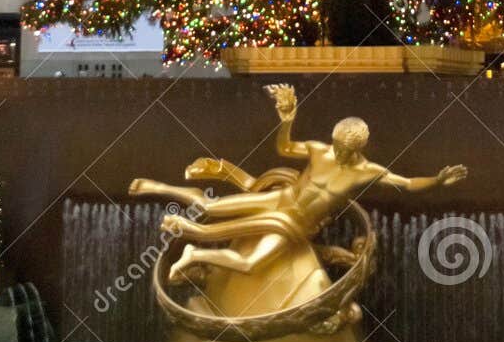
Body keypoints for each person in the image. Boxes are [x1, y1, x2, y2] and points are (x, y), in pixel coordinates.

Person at [130, 82, 467, 285]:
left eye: (345, 150)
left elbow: (406, 184)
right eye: (336, 145)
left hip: (294, 224)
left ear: (357, 149)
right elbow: (284, 149)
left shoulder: (367, 171)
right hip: (280, 199)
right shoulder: (320, 151)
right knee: (210, 206)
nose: (337, 152)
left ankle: (194, 253)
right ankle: (161, 188)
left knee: (249, 264)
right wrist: (287, 122)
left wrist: (437, 179)